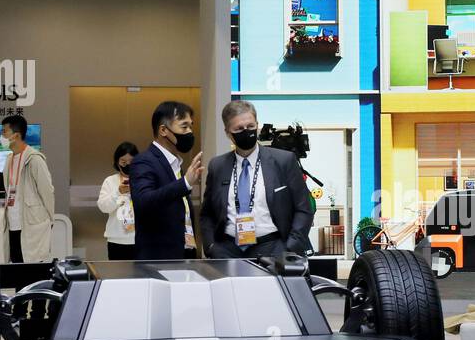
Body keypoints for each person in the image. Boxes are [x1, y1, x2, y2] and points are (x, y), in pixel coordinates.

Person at [202, 101, 314, 259]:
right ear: (228, 133)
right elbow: (207, 213)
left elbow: (304, 208)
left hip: (273, 248)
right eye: (239, 129)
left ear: (257, 125)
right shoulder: (218, 166)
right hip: (227, 251)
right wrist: (211, 246)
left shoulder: (283, 161)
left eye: (250, 126)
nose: (246, 131)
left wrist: (291, 247)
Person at [128, 101, 205, 260]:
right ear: (163, 130)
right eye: (184, 127)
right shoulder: (144, 161)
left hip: (184, 251)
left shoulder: (176, 162)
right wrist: (185, 183)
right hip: (158, 256)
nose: (190, 132)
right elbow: (143, 201)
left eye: (191, 126)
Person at [0, 115, 55, 263]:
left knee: (32, 269)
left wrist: (50, 220)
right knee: (17, 268)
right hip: (13, 223)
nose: (1, 135)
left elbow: (47, 191)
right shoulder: (9, 159)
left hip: (31, 224)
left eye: (4, 131)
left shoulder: (34, 159)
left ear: (16, 135)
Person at [97, 141, 138, 259]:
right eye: (123, 162)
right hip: (116, 240)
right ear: (117, 162)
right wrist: (118, 192)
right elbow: (103, 207)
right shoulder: (110, 181)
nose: (127, 165)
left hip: (140, 239)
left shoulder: (143, 180)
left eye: (131, 161)